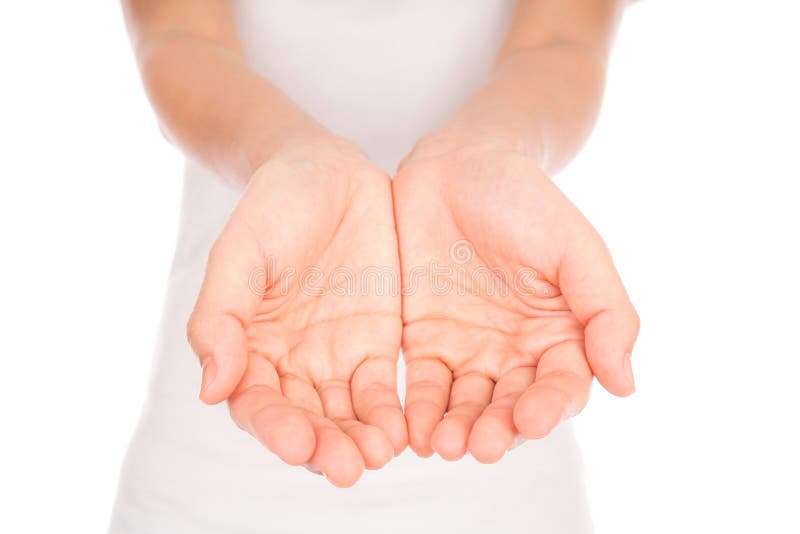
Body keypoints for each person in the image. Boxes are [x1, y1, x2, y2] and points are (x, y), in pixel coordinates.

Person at [110, 1, 639, 532]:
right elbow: (179, 32)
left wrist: (486, 150)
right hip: (222, 452)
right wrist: (289, 155)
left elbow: (561, 40)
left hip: (509, 451)